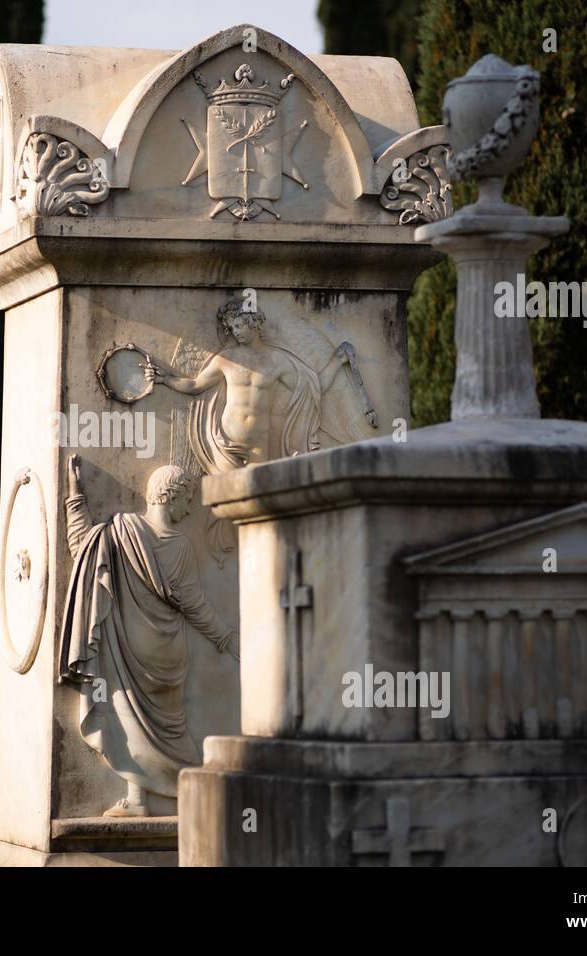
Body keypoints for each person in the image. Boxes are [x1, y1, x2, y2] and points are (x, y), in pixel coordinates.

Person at [58, 455, 237, 817]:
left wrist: (75, 495)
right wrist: (225, 638)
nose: (190, 507)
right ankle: (183, 793)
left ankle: (152, 797)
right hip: (167, 654)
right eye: (187, 498)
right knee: (168, 731)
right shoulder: (178, 546)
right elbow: (195, 605)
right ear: (171, 496)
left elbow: (81, 548)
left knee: (127, 726)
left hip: (127, 650)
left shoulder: (119, 532)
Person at [143, 297, 364, 472]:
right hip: (226, 441)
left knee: (258, 503)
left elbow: (313, 388)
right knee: (232, 498)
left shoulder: (277, 360)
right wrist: (166, 379)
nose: (235, 331)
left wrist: (336, 362)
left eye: (239, 325)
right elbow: (195, 385)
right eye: (232, 327)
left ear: (254, 323)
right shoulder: (226, 358)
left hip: (260, 441)